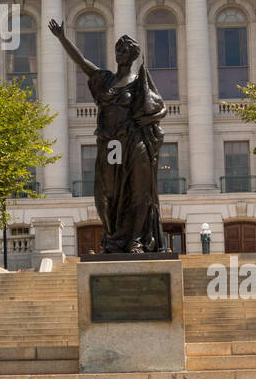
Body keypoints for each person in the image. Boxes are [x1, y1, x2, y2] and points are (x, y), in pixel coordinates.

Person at [48, 20, 167, 253]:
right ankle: (113, 238)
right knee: (107, 193)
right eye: (117, 49)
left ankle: (135, 240)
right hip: (112, 143)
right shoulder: (105, 79)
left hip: (134, 142)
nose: (119, 53)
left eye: (124, 50)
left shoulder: (139, 82)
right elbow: (81, 62)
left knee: (138, 191)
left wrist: (149, 119)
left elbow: (160, 108)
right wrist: (62, 37)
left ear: (132, 56)